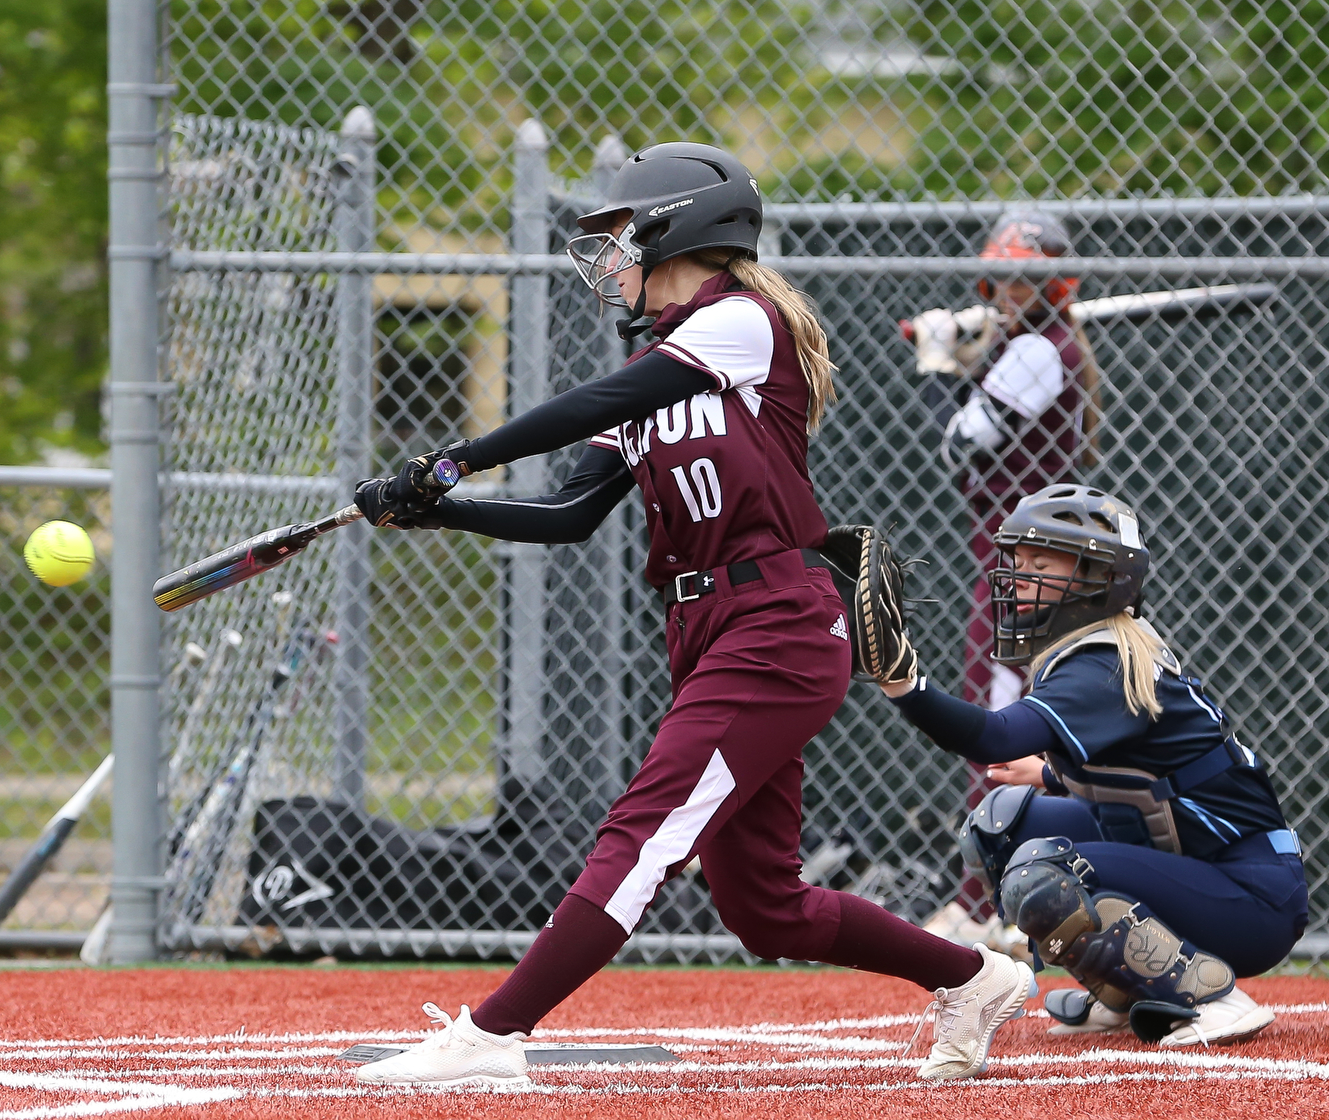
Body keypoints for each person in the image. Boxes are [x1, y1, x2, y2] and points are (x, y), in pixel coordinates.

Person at [345, 142, 1035, 1087]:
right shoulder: (659, 362)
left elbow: (604, 398)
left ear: (680, 228)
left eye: (625, 233)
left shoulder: (740, 324)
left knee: (646, 830)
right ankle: (978, 977)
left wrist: (454, 459)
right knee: (765, 909)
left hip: (775, 628)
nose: (612, 255)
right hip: (708, 630)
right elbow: (565, 515)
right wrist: (438, 507)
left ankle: (492, 1036)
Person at [875, 483, 1308, 1046]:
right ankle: (1126, 986)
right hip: (1195, 866)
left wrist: (904, 684)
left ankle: (1213, 996)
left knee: (1042, 873)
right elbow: (1152, 778)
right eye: (1019, 562)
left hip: (1250, 898)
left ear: (1100, 575)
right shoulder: (1094, 651)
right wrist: (1052, 775)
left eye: (1041, 563)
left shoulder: (1105, 660)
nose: (1019, 578)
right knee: (999, 826)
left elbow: (992, 737)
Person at [909, 209, 1101, 928]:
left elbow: (961, 444)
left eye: (1029, 278)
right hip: (1021, 560)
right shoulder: (1029, 348)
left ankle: (987, 899)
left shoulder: (1040, 351)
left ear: (1053, 284)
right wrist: (970, 360)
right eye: (1007, 276)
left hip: (1023, 568)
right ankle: (1002, 891)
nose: (1013, 291)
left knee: (999, 721)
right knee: (1016, 716)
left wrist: (936, 367)